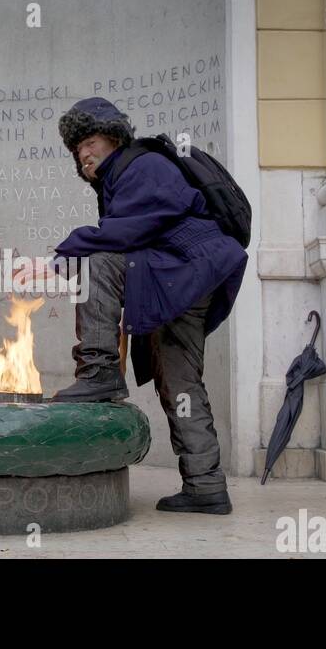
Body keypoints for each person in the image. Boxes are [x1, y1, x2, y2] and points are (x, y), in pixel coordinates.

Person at [50, 97, 247, 514]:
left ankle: (99, 370)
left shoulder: (141, 164)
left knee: (96, 260)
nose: (82, 153)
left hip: (185, 270)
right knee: (179, 383)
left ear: (114, 135)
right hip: (182, 278)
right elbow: (134, 233)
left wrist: (66, 251)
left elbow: (126, 233)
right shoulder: (123, 176)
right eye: (75, 148)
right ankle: (206, 484)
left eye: (88, 140)